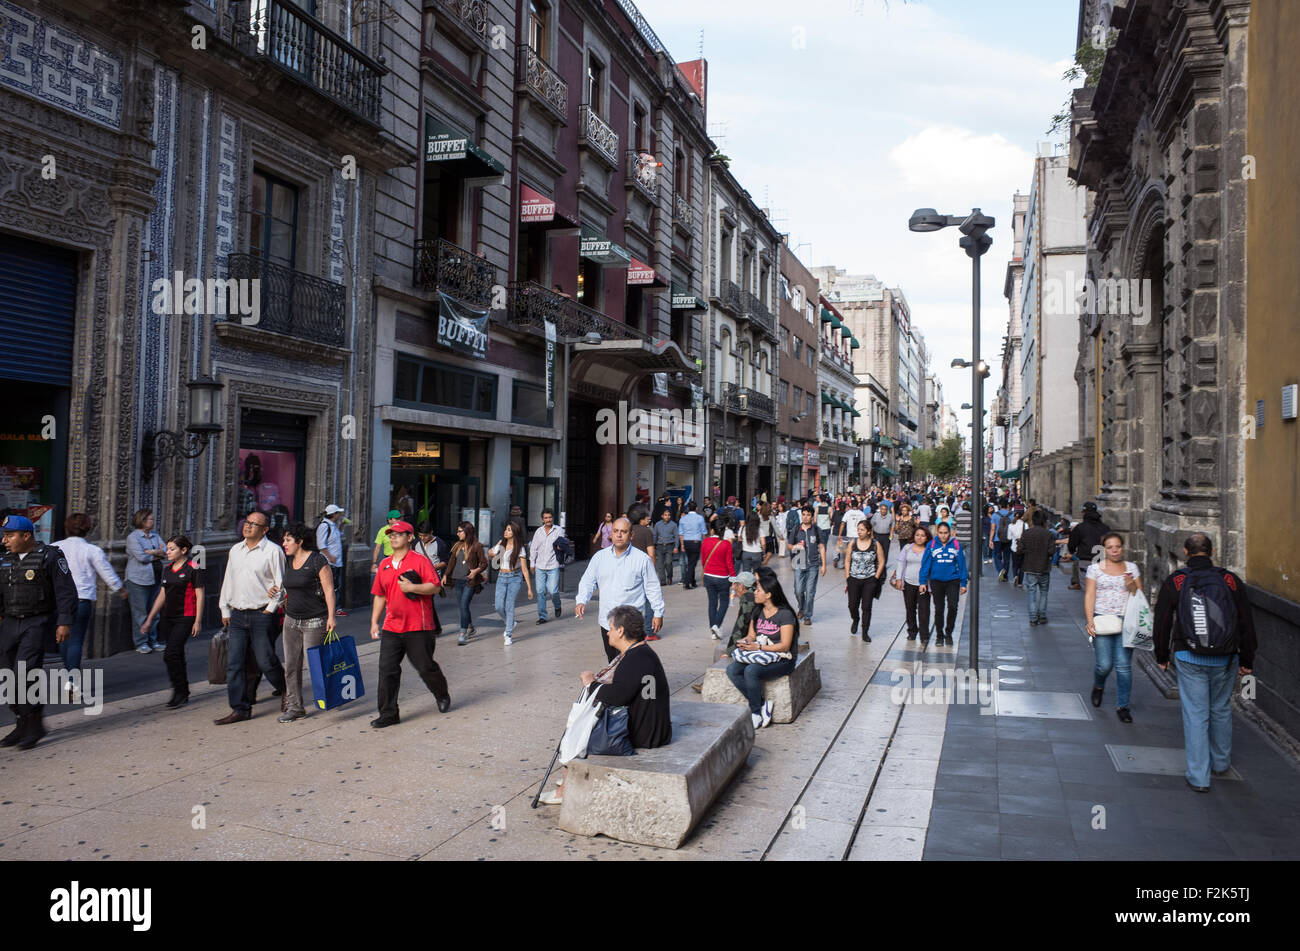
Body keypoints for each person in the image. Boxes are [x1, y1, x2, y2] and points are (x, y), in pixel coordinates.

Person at [1153, 533, 1257, 793]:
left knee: (1196, 712)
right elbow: (1245, 621)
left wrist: (1162, 655)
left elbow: (1163, 620)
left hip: (1189, 656)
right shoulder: (1230, 580)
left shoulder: (1177, 580)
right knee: (1221, 708)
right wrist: (1247, 658)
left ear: (1186, 553)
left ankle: (1199, 776)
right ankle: (1221, 763)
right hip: (1225, 656)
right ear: (1212, 551)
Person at [538, 604, 671, 805]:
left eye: (610, 628)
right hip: (651, 726)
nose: (607, 632)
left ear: (620, 630)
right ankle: (571, 776)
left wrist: (591, 684)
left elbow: (617, 696)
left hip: (646, 733)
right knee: (584, 725)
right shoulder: (640, 653)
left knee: (579, 731)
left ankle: (564, 791)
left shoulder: (635, 659)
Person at [0, 514, 77, 749]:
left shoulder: (50, 556)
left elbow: (65, 591)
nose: (5, 541)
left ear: (26, 536)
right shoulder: (4, 559)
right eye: (4, 536)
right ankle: (21, 722)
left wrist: (64, 622)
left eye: (10, 536)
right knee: (6, 676)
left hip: (36, 622)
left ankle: (34, 727)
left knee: (24, 673)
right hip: (10, 622)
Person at [370, 520, 450, 725]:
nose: (393, 537)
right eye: (391, 534)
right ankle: (388, 714)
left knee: (425, 667)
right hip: (391, 626)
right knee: (387, 670)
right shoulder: (385, 564)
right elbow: (379, 595)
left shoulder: (420, 561)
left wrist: (412, 588)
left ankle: (441, 693)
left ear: (409, 537)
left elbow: (434, 587)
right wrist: (374, 622)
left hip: (418, 626)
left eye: (398, 533)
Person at [214, 510, 288, 724]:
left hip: (261, 614)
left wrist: (271, 608)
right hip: (238, 614)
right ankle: (240, 708)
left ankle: (286, 689)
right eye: (247, 522)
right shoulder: (235, 550)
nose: (248, 526)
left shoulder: (273, 551)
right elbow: (228, 579)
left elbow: (281, 583)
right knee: (235, 663)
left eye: (254, 524)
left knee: (265, 660)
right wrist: (225, 608)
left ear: (264, 530)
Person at [54, 513, 127, 701]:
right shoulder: (92, 550)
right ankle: (72, 681)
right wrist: (120, 588)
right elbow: (106, 571)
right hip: (81, 600)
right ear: (87, 529)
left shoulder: (54, 548)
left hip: (59, 600)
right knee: (76, 640)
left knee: (62, 639)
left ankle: (70, 674)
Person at [575, 518, 664, 661]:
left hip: (631, 624)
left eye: (624, 531)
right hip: (607, 622)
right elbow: (587, 581)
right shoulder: (600, 557)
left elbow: (652, 587)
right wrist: (581, 600)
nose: (619, 535)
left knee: (630, 662)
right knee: (613, 661)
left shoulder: (642, 559)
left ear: (631, 535)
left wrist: (658, 612)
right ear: (611, 534)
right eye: (616, 531)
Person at [726, 567, 799, 730]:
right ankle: (762, 704)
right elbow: (751, 635)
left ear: (769, 594)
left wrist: (758, 646)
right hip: (761, 655)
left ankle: (756, 712)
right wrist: (745, 642)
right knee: (732, 670)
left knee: (751, 671)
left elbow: (785, 645)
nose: (755, 593)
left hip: (783, 659)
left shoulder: (785, 614)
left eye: (758, 590)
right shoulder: (758, 611)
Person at [276, 523, 335, 722]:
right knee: (291, 665)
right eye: (284, 540)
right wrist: (278, 593)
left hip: (315, 621)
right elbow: (289, 588)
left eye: (288, 540)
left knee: (315, 665)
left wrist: (332, 617)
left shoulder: (317, 560)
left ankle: (331, 696)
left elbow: (328, 590)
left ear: (300, 542)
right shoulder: (288, 561)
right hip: (291, 620)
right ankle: (295, 707)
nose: (284, 543)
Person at [140, 535, 205, 709]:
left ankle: (179, 691)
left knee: (171, 653)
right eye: (167, 549)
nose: (167, 552)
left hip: (186, 616)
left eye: (172, 549)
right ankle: (182, 690)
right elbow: (162, 594)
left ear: (183, 550)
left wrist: (198, 620)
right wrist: (150, 618)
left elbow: (200, 595)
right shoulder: (167, 569)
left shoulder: (194, 567)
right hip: (169, 617)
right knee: (176, 654)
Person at [1084, 532, 1141, 723]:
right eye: (1110, 547)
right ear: (1104, 549)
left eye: (1117, 546)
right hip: (1102, 619)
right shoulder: (1095, 569)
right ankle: (1098, 685)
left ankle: (1123, 706)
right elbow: (1090, 595)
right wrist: (1090, 620)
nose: (1115, 550)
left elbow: (1138, 596)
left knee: (1124, 666)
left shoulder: (1131, 568)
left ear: (1122, 547)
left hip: (1126, 620)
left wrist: (1130, 583)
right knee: (1104, 664)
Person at [919, 522, 968, 647]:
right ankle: (939, 635)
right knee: (939, 609)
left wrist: (963, 583)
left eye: (946, 533)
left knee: (952, 606)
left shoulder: (956, 544)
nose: (943, 536)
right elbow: (926, 564)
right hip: (936, 581)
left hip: (953, 580)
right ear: (937, 532)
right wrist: (922, 581)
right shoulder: (932, 544)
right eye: (941, 533)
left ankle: (949, 633)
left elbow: (962, 564)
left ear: (950, 533)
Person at [125, 508, 166, 652]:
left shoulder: (154, 535)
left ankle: (153, 640)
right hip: (138, 580)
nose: (152, 521)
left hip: (155, 577)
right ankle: (141, 642)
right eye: (150, 519)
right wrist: (157, 553)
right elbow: (141, 557)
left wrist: (151, 552)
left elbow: (166, 550)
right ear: (142, 521)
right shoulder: (133, 538)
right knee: (140, 612)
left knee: (154, 611)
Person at [488, 518, 533, 646]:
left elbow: (524, 569)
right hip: (502, 577)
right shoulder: (501, 544)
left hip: (515, 578)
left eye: (508, 530)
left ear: (514, 532)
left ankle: (508, 634)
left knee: (509, 605)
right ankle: (510, 622)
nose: (505, 532)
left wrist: (529, 588)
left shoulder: (520, 548)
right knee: (498, 606)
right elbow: (491, 553)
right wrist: (492, 552)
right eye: (505, 529)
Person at [844, 519, 885, 642]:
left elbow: (882, 561)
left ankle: (865, 632)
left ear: (868, 531)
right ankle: (855, 619)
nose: (859, 532)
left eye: (862, 530)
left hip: (869, 580)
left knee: (866, 607)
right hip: (854, 579)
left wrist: (875, 578)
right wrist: (848, 577)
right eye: (858, 529)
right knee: (852, 605)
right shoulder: (853, 543)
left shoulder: (875, 544)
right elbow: (847, 560)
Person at [448, 521, 488, 645]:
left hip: (469, 582)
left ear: (467, 532)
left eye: (460, 531)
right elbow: (451, 562)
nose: (457, 533)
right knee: (462, 607)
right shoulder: (457, 545)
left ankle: (462, 633)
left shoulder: (477, 546)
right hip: (457, 580)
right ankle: (470, 627)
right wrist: (445, 575)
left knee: (464, 605)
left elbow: (484, 563)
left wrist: (476, 571)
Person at [891, 525, 932, 645]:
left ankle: (924, 634)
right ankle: (912, 632)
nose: (919, 538)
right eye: (917, 535)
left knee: (924, 610)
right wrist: (899, 579)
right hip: (908, 583)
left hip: (923, 584)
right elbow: (901, 563)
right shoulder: (907, 548)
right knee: (910, 608)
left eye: (922, 535)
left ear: (926, 537)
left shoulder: (929, 549)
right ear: (913, 536)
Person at [787, 506, 827, 625]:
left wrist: (824, 565)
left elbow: (822, 547)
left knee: (810, 592)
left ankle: (808, 615)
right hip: (798, 564)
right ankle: (801, 607)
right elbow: (789, 545)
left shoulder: (816, 530)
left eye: (808, 515)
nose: (805, 517)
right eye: (803, 514)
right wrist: (796, 546)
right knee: (798, 590)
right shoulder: (796, 529)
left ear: (812, 516)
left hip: (813, 565)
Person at [1018, 510, 1056, 625]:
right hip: (1044, 567)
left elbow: (1019, 550)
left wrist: (1027, 551)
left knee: (1032, 592)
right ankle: (1042, 615)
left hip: (1030, 567)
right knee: (1044, 592)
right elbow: (1051, 551)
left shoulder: (1026, 533)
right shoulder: (1049, 534)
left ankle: (1033, 618)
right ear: (1044, 521)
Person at [701, 518, 736, 640]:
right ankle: (717, 625)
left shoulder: (705, 542)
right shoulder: (726, 544)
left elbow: (703, 560)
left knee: (712, 603)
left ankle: (712, 630)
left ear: (711, 530)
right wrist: (734, 578)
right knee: (724, 602)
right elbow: (729, 563)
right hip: (723, 577)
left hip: (709, 576)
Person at [529, 508, 565, 624]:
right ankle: (542, 616)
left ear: (552, 518)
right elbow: (533, 548)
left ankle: (557, 605)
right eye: (546, 518)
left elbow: (562, 543)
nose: (548, 520)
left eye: (550, 517)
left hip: (553, 565)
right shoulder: (538, 532)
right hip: (540, 566)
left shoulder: (558, 530)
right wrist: (532, 564)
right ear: (542, 519)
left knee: (553, 590)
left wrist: (561, 547)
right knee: (540, 591)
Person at [1068, 502, 1109, 589]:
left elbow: (1071, 545)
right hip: (1102, 563)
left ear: (1084, 513)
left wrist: (1072, 552)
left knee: (1088, 590)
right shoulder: (1105, 528)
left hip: (1086, 562)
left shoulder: (1080, 528)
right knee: (1101, 589)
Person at [316, 504, 347, 617]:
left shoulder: (333, 525)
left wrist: (342, 525)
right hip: (329, 563)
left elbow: (338, 536)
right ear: (334, 514)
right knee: (329, 587)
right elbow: (321, 545)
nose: (339, 515)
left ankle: (335, 608)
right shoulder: (324, 526)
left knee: (336, 586)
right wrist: (330, 557)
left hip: (336, 563)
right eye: (338, 513)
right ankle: (329, 609)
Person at [723, 570, 758, 652]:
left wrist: (730, 651)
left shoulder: (747, 599)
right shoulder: (754, 593)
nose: (733, 587)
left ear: (741, 586)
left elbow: (741, 626)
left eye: (735, 584)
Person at [677, 501, 707, 589]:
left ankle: (693, 581)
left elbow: (681, 533)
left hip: (686, 541)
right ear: (696, 508)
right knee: (692, 563)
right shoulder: (700, 518)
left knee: (691, 561)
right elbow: (704, 532)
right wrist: (705, 542)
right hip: (695, 542)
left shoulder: (683, 518)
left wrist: (682, 544)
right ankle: (687, 582)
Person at [652, 507, 681, 585]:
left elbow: (676, 536)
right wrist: (653, 546)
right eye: (665, 515)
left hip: (670, 546)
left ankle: (669, 577)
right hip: (659, 546)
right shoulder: (657, 524)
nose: (667, 516)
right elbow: (655, 535)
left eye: (668, 515)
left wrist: (676, 547)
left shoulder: (673, 525)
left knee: (668, 563)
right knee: (660, 565)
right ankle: (662, 581)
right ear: (662, 516)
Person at [371, 510, 402, 575]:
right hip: (388, 559)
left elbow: (411, 544)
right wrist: (374, 563)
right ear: (389, 520)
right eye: (396, 518)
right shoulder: (383, 531)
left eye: (400, 518)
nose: (399, 520)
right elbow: (377, 548)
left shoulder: (405, 528)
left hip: (402, 559)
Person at [990, 502, 1013, 581]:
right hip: (1008, 538)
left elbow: (993, 528)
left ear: (999, 506)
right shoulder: (1012, 515)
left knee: (997, 556)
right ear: (1007, 506)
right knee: (1007, 557)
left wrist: (990, 540)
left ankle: (1000, 570)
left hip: (997, 538)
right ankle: (1005, 575)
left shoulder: (995, 515)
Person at [1007, 511, 1026, 586]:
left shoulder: (1011, 525)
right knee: (1022, 565)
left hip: (1014, 547)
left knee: (1014, 564)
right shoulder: (1025, 525)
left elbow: (1009, 537)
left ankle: (1015, 575)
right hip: (1023, 547)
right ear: (1022, 517)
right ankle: (1020, 582)